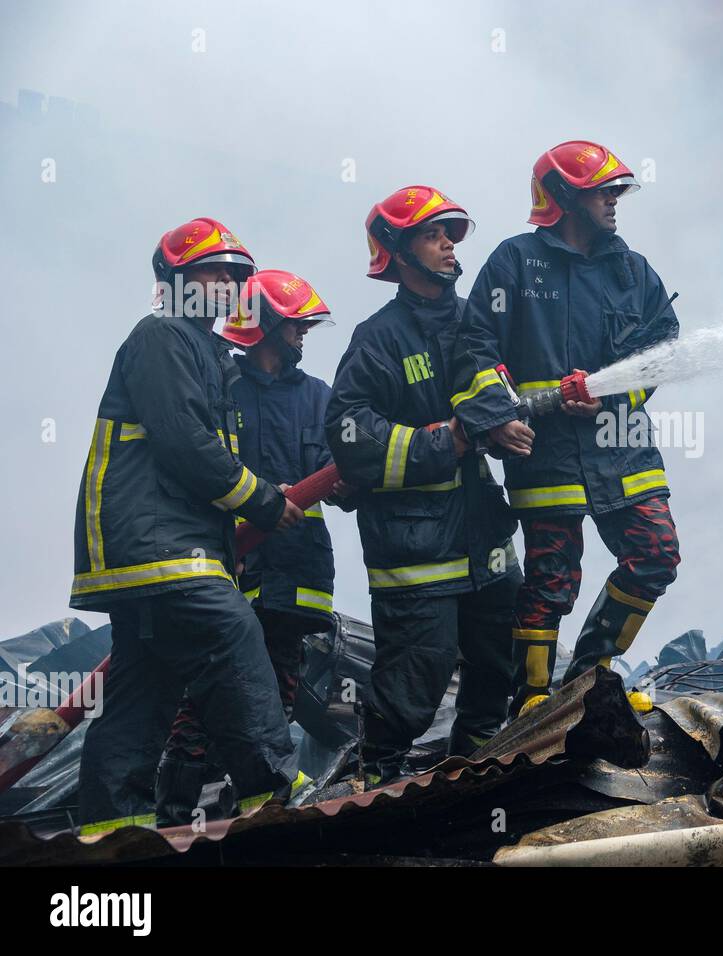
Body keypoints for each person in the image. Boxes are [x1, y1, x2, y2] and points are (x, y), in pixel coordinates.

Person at [73, 218, 302, 833]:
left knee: (142, 691)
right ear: (176, 278)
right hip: (155, 546)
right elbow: (183, 442)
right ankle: (272, 792)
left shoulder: (206, 353)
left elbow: (202, 453)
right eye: (213, 271)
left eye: (236, 275)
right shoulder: (161, 336)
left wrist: (260, 494)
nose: (227, 284)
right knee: (232, 631)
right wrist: (261, 500)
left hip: (167, 546)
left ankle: (110, 830)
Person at [450, 141, 681, 717]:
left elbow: (664, 348)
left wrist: (607, 394)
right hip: (545, 454)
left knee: (657, 554)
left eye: (617, 191)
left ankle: (589, 677)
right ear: (564, 198)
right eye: (603, 191)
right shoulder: (515, 262)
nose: (614, 201)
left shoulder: (632, 271)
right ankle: (530, 703)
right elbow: (474, 347)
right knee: (551, 583)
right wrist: (499, 415)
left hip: (622, 450)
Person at [326, 186, 520, 785]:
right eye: (432, 235)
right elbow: (348, 430)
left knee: (497, 669)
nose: (447, 245)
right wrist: (447, 441)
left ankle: (476, 782)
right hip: (415, 554)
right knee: (415, 682)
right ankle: (372, 785)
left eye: (450, 234)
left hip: (484, 540)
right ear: (398, 251)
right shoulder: (378, 339)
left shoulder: (477, 323)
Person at [155, 268, 341, 825]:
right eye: (296, 326)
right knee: (210, 692)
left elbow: (347, 481)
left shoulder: (319, 398)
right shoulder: (220, 386)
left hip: (298, 570)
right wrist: (256, 500)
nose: (304, 336)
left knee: (276, 696)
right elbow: (195, 464)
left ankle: (258, 812)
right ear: (263, 326)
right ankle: (173, 812)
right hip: (231, 568)